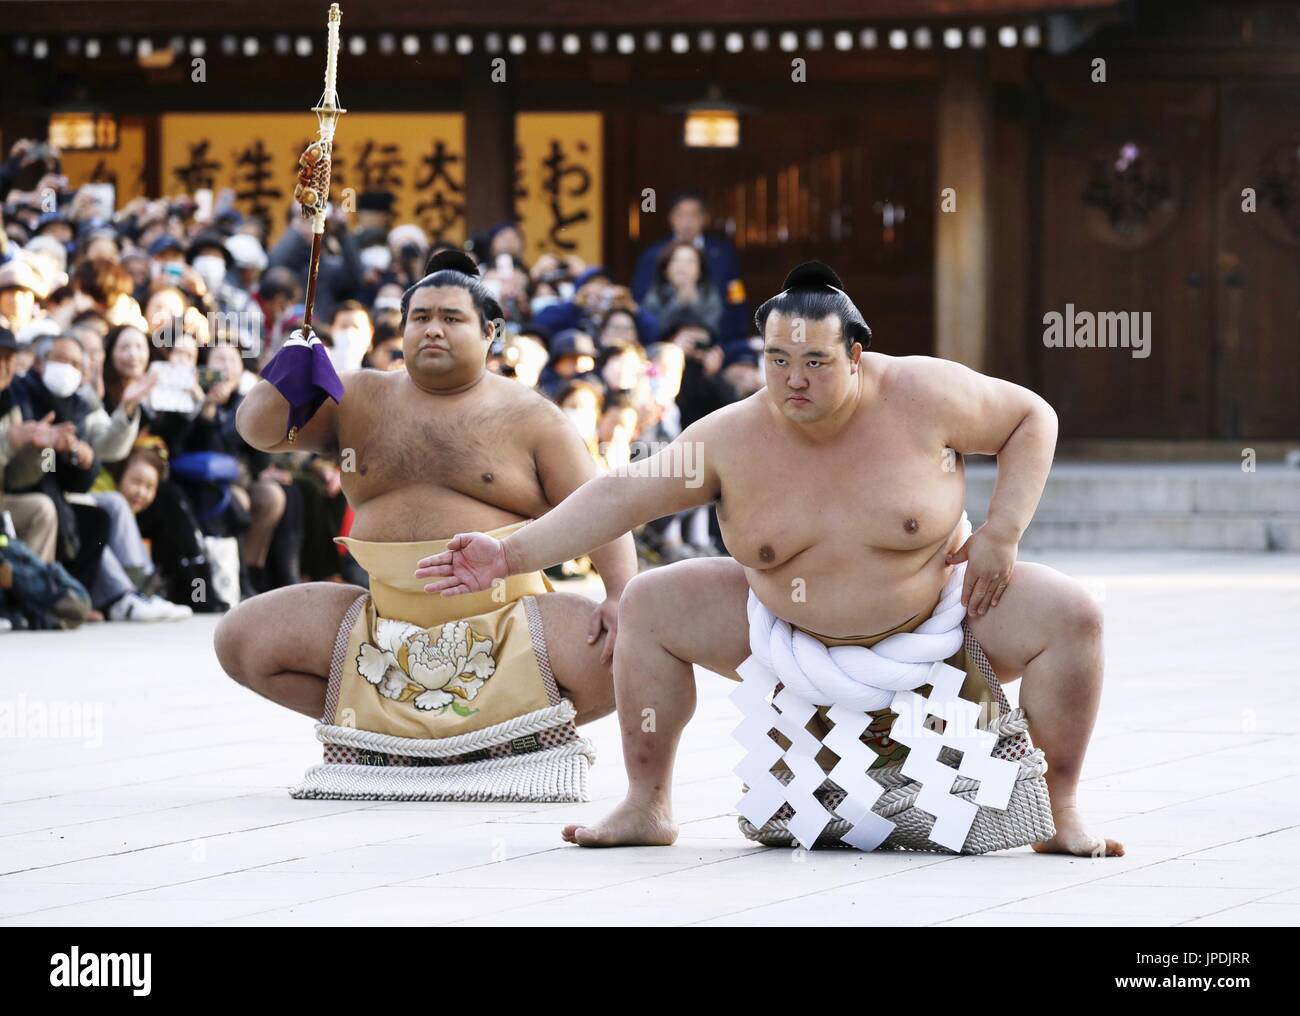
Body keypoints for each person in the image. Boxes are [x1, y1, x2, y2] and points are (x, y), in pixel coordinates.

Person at [416, 261, 1122, 859]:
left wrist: (1002, 530)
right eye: (777, 361)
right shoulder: (731, 437)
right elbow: (621, 495)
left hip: (941, 621)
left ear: (855, 355)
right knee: (652, 602)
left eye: (816, 362)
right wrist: (509, 553)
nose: (793, 381)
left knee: (1073, 615)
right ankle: (646, 802)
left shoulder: (925, 395)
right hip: (783, 633)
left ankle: (1059, 811)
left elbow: (1032, 417)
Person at [214, 252, 636, 759]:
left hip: (507, 625)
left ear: (489, 332)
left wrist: (619, 593)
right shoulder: (357, 396)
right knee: (241, 639)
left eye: (452, 318)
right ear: (403, 328)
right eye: (421, 318)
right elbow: (257, 431)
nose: (433, 329)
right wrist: (291, 368)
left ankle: (505, 730)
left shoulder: (532, 417)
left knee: (631, 654)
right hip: (382, 627)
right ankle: (382, 731)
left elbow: (600, 507)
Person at [632, 190, 747, 344]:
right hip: (664, 341)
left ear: (705, 218)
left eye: (693, 215)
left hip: (717, 340)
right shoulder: (653, 255)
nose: (687, 222)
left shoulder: (723, 253)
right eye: (680, 215)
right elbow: (641, 302)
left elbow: (736, 295)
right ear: (671, 218)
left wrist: (733, 338)